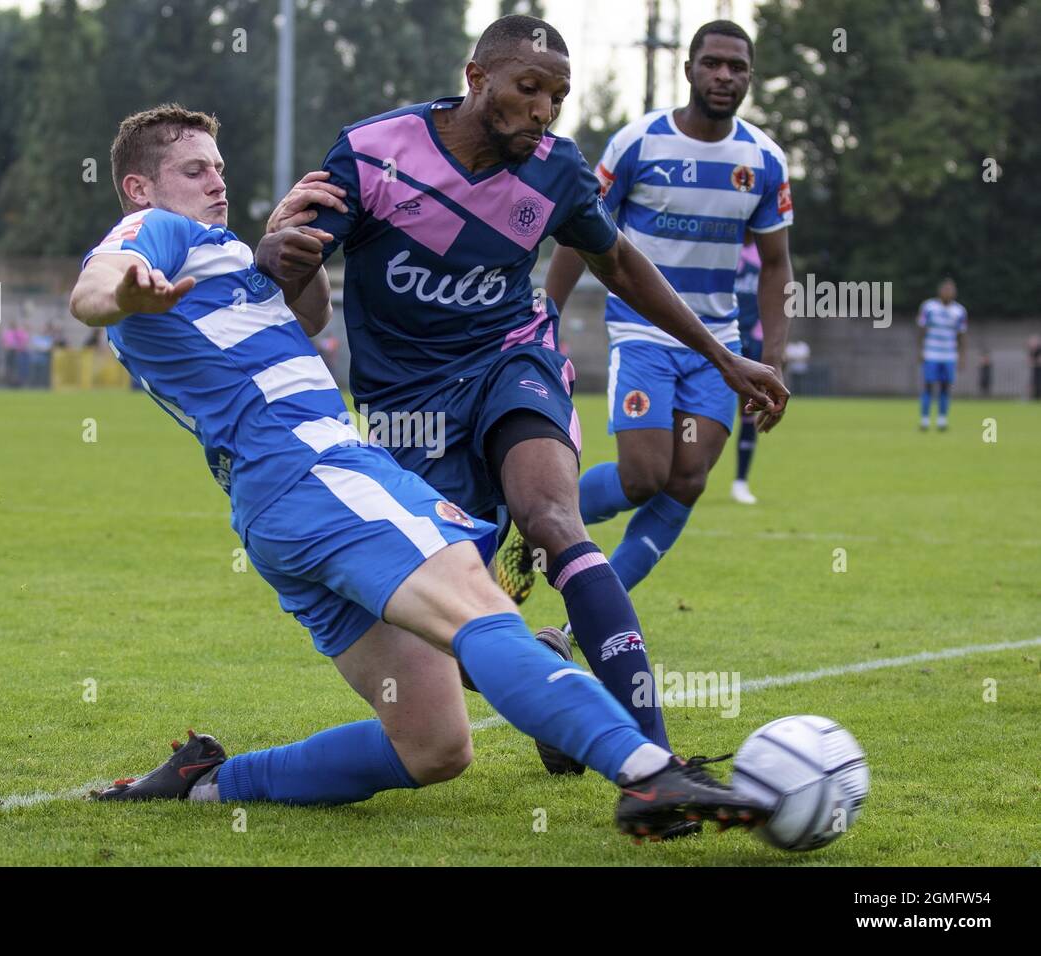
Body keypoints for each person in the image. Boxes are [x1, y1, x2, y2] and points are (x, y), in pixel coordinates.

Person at [68, 103, 768, 839]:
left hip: (274, 515)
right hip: (318, 471)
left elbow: (303, 320)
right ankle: (649, 776)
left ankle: (206, 783)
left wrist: (282, 245)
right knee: (481, 606)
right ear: (141, 188)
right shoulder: (155, 236)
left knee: (434, 744)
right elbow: (93, 289)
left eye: (219, 166)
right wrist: (124, 289)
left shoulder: (217, 258)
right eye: (193, 170)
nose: (216, 181)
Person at [261, 14, 788, 780]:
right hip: (409, 407)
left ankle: (657, 761)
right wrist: (273, 254)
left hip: (513, 359)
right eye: (529, 88)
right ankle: (553, 683)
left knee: (551, 519)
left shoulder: (559, 169)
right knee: (463, 620)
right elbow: (303, 306)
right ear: (477, 79)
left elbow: (623, 266)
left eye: (558, 96)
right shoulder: (374, 152)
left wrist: (724, 355)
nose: (543, 110)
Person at [537, 19, 793, 595]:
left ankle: (587, 615)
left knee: (687, 479)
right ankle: (534, 523)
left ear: (750, 77)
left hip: (718, 345)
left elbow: (776, 267)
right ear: (689, 70)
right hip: (642, 332)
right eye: (713, 63)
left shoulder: (765, 160)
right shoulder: (637, 143)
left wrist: (772, 356)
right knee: (645, 475)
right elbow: (580, 233)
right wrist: (544, 322)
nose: (724, 75)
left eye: (738, 66)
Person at [731, 235, 763, 504]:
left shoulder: (765, 254)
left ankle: (741, 481)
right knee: (695, 412)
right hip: (719, 338)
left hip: (754, 341)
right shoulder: (723, 246)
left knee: (749, 411)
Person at [917, 277, 966, 431]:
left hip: (949, 354)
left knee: (945, 387)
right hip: (931, 352)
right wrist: (920, 350)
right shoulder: (929, 307)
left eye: (951, 290)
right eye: (946, 289)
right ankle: (924, 420)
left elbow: (962, 335)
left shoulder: (959, 311)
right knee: (928, 386)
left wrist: (962, 356)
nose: (948, 292)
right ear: (940, 291)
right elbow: (921, 330)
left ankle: (941, 420)